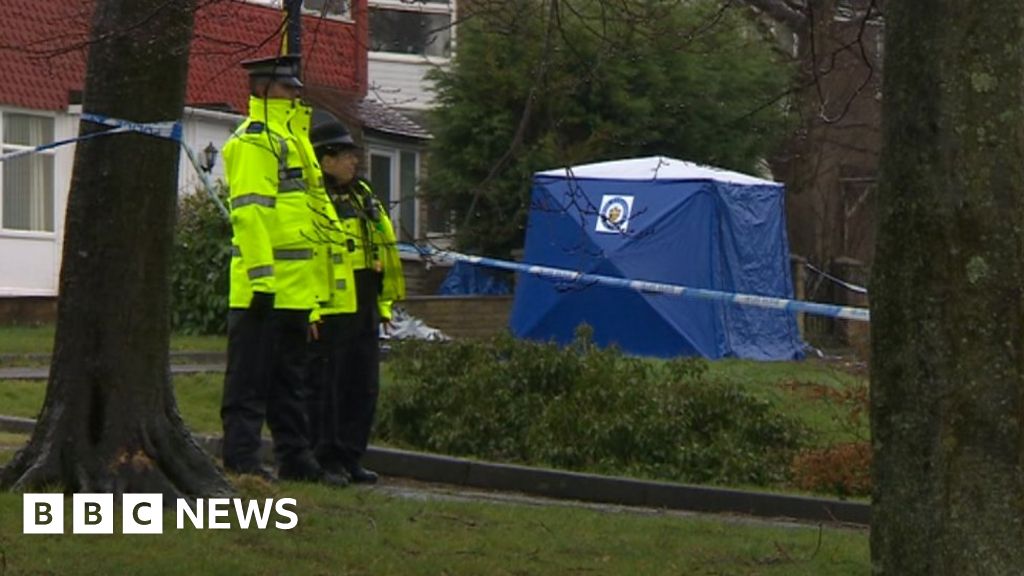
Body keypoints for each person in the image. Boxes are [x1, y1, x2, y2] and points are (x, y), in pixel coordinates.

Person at [220, 54, 344, 486]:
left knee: (290, 385)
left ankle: (296, 460)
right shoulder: (255, 141)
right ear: (263, 89)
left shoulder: (295, 140)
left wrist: (317, 294)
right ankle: (242, 461)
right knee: (250, 383)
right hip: (263, 288)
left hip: (294, 289)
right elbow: (250, 215)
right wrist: (262, 280)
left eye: (296, 85)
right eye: (288, 85)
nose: (296, 91)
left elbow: (315, 215)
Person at [306, 119, 405, 484]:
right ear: (324, 159)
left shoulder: (364, 194)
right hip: (331, 306)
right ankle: (325, 458)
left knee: (362, 385)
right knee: (327, 388)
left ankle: (350, 456)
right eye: (345, 155)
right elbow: (309, 258)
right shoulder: (314, 199)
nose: (353, 162)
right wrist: (311, 309)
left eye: (353, 155)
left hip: (364, 301)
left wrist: (382, 305)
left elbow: (384, 249)